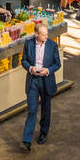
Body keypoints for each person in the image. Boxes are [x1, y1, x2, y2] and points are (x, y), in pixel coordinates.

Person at [20, 22, 60, 152]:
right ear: (36, 34)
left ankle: (43, 133)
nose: (46, 37)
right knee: (32, 110)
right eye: (43, 35)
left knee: (46, 109)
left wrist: (47, 70)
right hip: (33, 81)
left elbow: (57, 64)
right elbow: (24, 60)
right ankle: (26, 140)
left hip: (46, 80)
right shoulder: (29, 43)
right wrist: (30, 68)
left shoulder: (52, 45)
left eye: (47, 34)